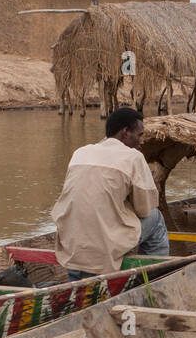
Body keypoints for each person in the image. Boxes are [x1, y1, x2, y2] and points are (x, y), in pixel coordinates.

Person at [51, 107, 169, 281]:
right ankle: (153, 280)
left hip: (70, 243)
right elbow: (144, 210)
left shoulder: (80, 153)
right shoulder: (133, 157)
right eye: (140, 134)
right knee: (156, 218)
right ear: (126, 132)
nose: (142, 141)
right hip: (103, 245)